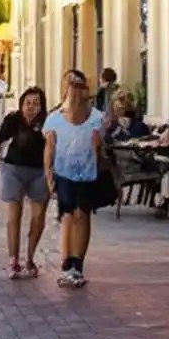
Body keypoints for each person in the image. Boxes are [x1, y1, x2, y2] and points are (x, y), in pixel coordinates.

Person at [45, 70, 105, 288]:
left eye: (79, 87)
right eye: (71, 87)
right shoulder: (54, 118)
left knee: (82, 215)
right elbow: (49, 148)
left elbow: (97, 147)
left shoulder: (96, 118)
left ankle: (77, 264)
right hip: (64, 173)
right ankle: (66, 261)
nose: (75, 92)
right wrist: (49, 174)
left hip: (87, 174)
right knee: (68, 215)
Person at [0, 86, 50, 279]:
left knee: (38, 218)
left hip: (39, 171)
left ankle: (29, 258)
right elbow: (2, 140)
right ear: (21, 105)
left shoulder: (47, 123)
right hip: (14, 169)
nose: (31, 107)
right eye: (27, 103)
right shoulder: (12, 120)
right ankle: (13, 259)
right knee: (14, 216)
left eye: (36, 103)